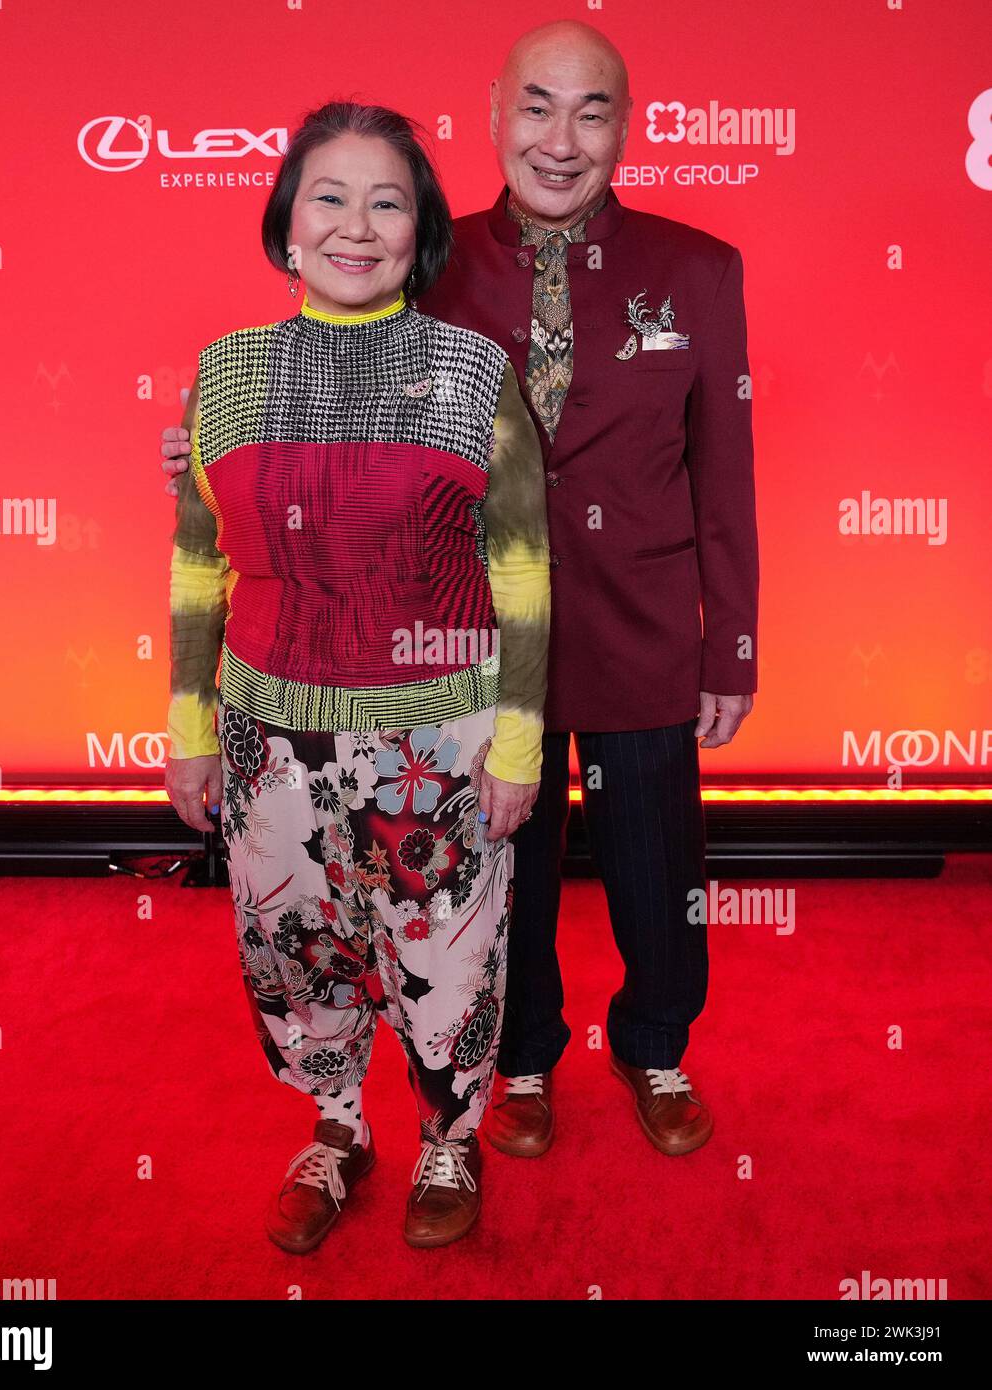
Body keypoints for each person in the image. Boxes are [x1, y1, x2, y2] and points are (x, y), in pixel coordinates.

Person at [163, 20, 759, 1167]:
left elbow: (724, 472)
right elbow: (342, 384)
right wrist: (204, 445)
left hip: (641, 629)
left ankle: (655, 1044)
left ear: (624, 129)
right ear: (494, 115)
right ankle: (522, 1056)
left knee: (655, 861)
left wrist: (727, 646)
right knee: (504, 878)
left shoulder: (699, 269)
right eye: (537, 107)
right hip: (472, 646)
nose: (560, 138)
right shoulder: (428, 258)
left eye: (591, 113)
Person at [163, 100, 550, 1252]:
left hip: (436, 742)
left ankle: (448, 1129)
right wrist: (188, 727)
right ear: (287, 226)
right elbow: (196, 567)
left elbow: (522, 569)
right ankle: (337, 1127)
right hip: (264, 737)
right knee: (298, 954)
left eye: (388, 202)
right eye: (328, 197)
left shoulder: (473, 369)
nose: (356, 224)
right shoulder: (222, 374)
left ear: (419, 233)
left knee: (445, 959)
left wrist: (518, 743)